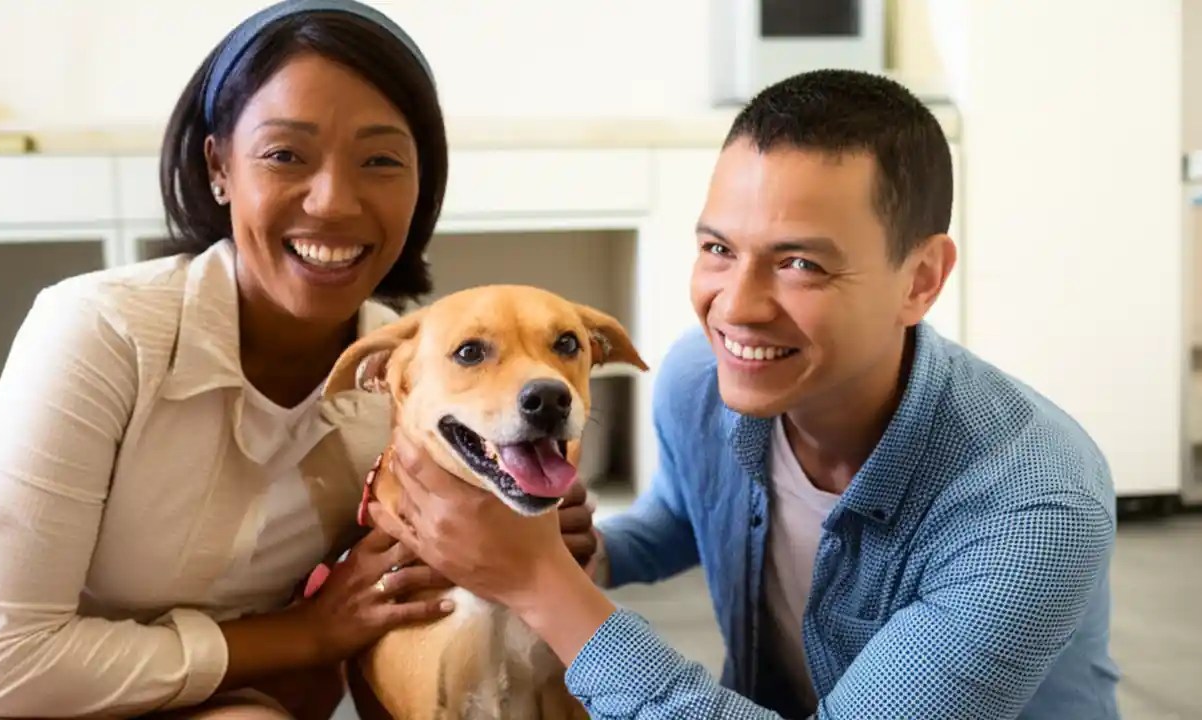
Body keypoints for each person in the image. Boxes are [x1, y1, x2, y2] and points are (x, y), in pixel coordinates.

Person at [373, 69, 1121, 719]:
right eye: (718, 250)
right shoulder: (702, 380)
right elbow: (683, 518)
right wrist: (570, 547)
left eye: (799, 263)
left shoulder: (1033, 503)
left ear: (920, 279)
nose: (735, 308)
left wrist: (542, 585)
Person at [0, 1, 594, 718]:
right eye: (285, 155)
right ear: (219, 166)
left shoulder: (415, 377)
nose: (334, 201)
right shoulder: (100, 332)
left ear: (421, 183)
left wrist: (539, 528)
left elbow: (453, 572)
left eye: (380, 160)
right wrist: (302, 635)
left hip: (226, 701)